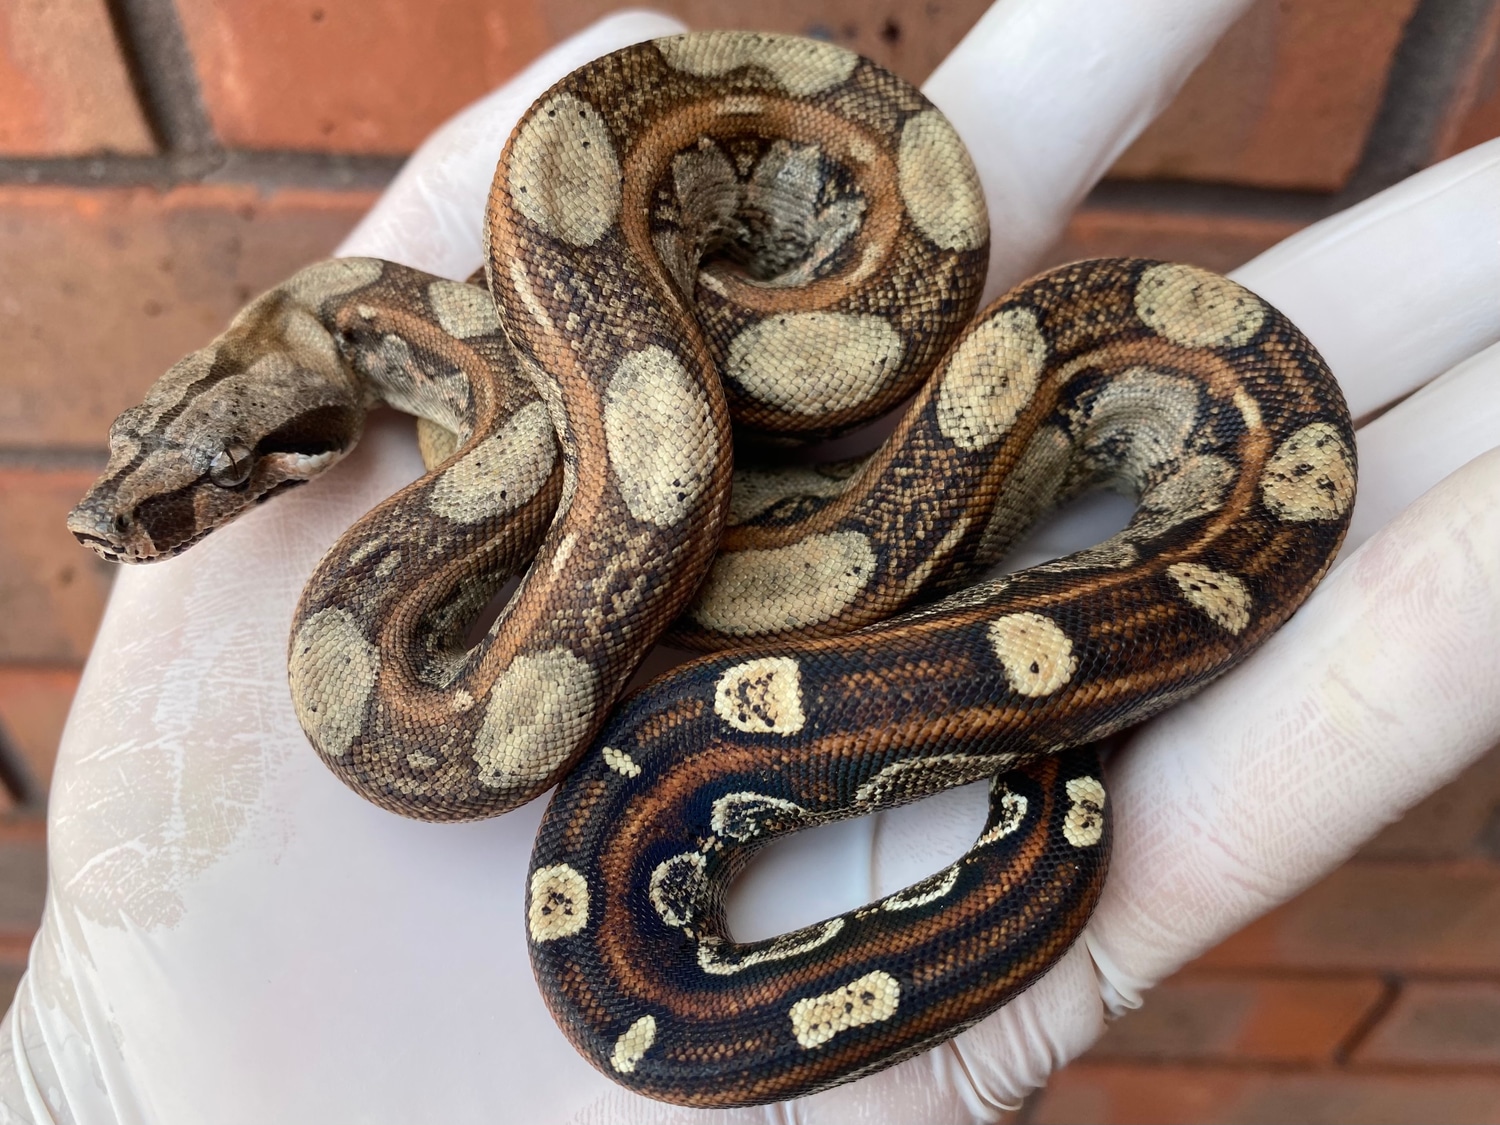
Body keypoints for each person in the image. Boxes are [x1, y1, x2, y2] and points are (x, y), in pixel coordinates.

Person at [6, 3, 1498, 1121]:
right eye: (183, 486)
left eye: (192, 479)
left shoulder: (531, 392)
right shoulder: (511, 417)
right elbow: (614, 437)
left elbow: (617, 431)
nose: (149, 528)